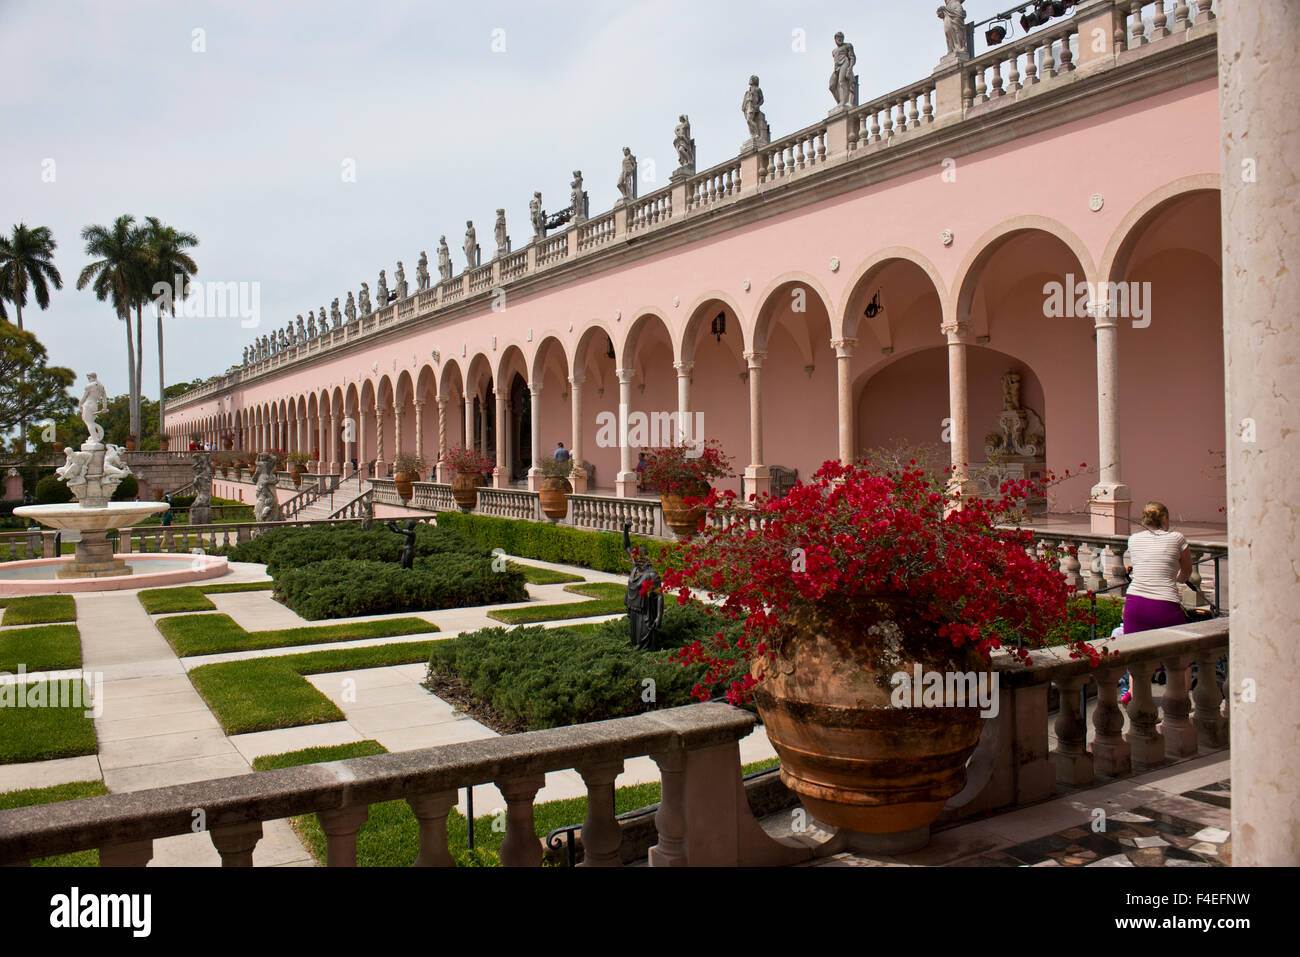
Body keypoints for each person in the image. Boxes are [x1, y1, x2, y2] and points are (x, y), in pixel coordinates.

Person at [1119, 501, 1192, 704]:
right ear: (1165, 519)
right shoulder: (1177, 537)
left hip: (1135, 604)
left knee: (1137, 655)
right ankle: (1180, 700)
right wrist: (1176, 577)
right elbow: (1186, 572)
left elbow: (1146, 562)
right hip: (1164, 603)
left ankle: (1132, 695)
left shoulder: (1133, 540)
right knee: (1182, 656)